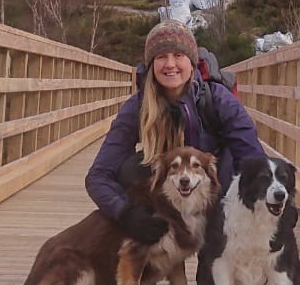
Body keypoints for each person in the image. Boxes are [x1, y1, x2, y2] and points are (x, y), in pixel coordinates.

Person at [85, 19, 266, 243]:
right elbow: (98, 175)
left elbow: (256, 163)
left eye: (178, 55)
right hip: (167, 197)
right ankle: (154, 248)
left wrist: (276, 212)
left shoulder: (219, 99)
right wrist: (125, 213)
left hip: (216, 196)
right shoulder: (138, 106)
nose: (170, 64)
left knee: (229, 163)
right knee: (130, 170)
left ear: (192, 62)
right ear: (152, 65)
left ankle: (215, 247)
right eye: (161, 57)